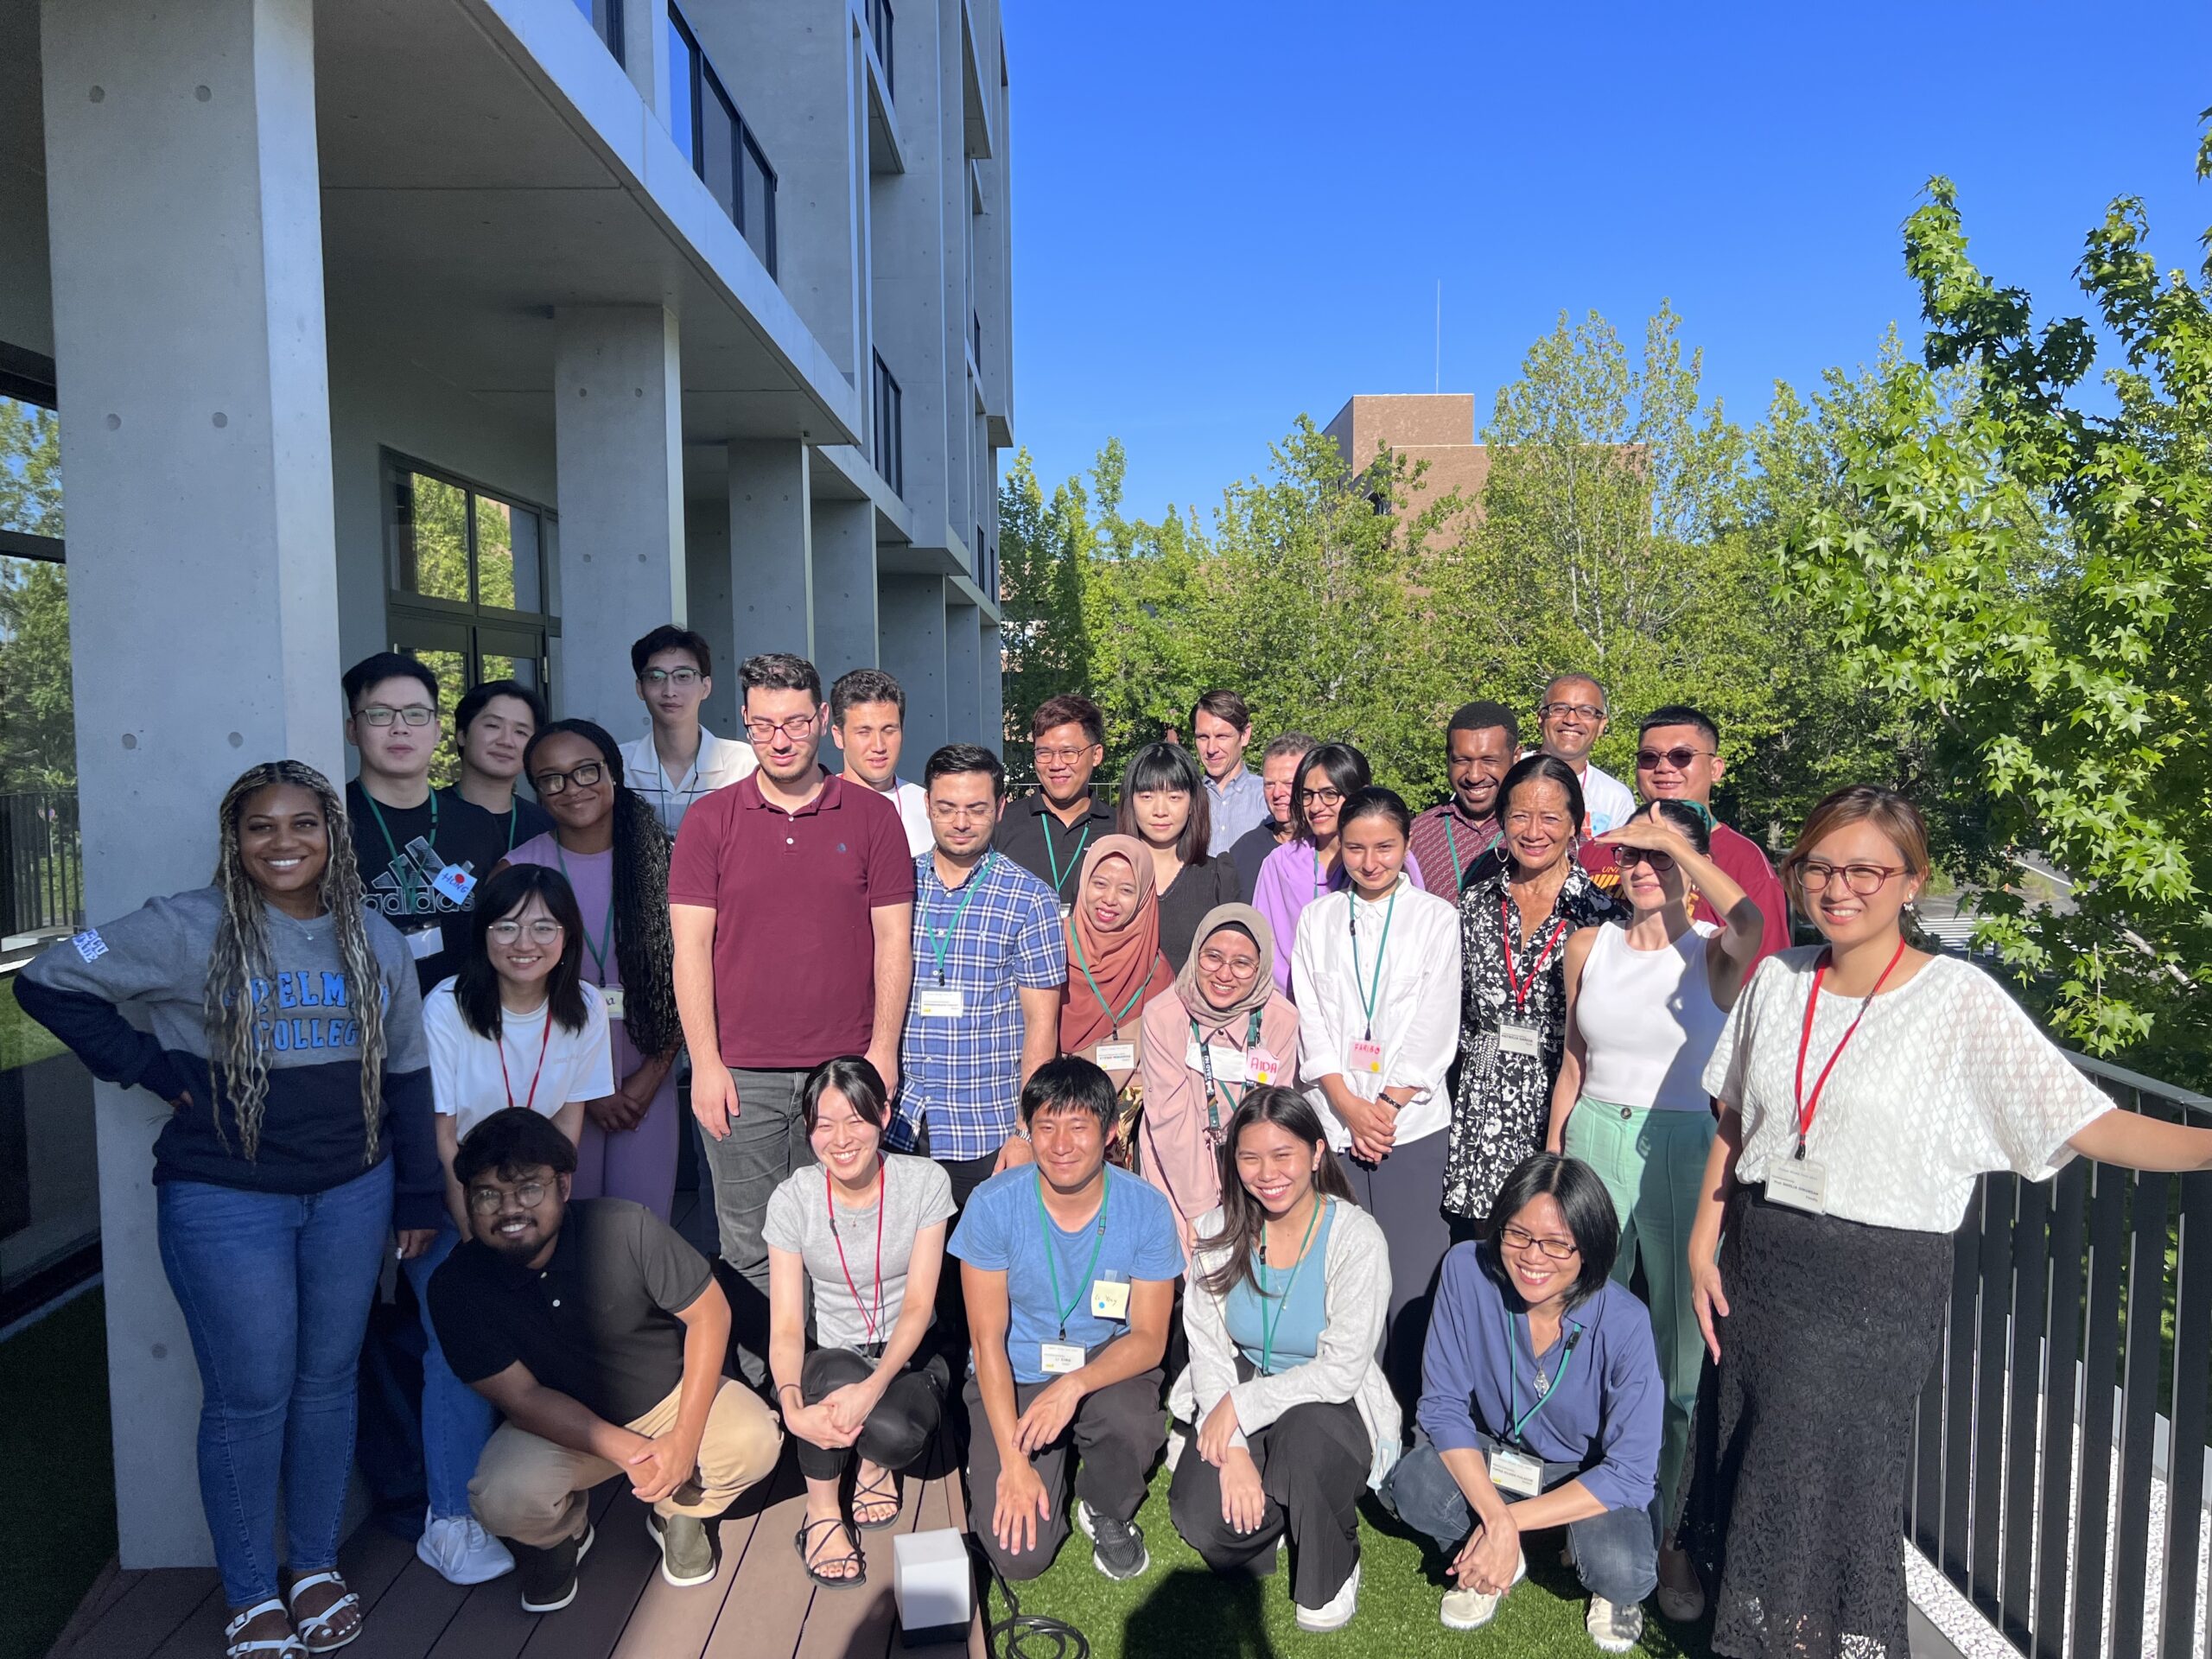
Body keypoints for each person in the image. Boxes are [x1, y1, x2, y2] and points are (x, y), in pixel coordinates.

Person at [1682, 786, 2212, 1659]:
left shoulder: (1958, 1002)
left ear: (1911, 882)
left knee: (1825, 1487)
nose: (1837, 886)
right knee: (1759, 1468)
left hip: (1873, 1290)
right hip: (1760, 1262)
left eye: (1864, 869)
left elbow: (2084, 1122)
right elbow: (1736, 1116)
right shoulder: (1777, 981)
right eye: (1818, 866)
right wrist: (1705, 1238)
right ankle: (1757, 1632)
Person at [15, 761, 439, 1659]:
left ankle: (316, 1565)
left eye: (304, 825)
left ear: (333, 835)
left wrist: (415, 1191)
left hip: (351, 1191)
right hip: (225, 1197)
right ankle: (253, 1591)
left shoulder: (372, 937)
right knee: (250, 1396)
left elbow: (406, 1072)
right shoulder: (186, 927)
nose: (284, 843)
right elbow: (49, 979)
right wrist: (151, 1067)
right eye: (261, 827)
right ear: (234, 840)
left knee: (326, 1384)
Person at [670, 652, 916, 1385]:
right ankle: (769, 1399)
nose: (782, 739)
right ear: (745, 722)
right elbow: (691, 949)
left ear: (821, 724)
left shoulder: (871, 817)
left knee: (841, 1239)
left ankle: (839, 1391)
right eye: (766, 724)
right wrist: (705, 1064)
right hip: (738, 1072)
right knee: (747, 1243)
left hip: (841, 1072)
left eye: (797, 723)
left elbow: (893, 941)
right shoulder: (710, 820)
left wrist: (881, 1054)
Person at [428, 1109, 783, 1614]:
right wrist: (636, 1452)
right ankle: (563, 1534)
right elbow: (522, 1398)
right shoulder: (455, 1287)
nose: (510, 1209)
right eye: (488, 1194)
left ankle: (679, 1510)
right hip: (560, 1428)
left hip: (667, 1399)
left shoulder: (625, 1227)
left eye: (529, 1188)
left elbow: (711, 1314)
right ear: (466, 1199)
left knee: (755, 1440)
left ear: (564, 1185)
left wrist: (681, 1442)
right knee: (500, 1497)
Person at [1546, 800, 1762, 1620]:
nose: (1643, 866)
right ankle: (1585, 1510)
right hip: (1594, 1136)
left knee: (1675, 1363)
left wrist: (1677, 844)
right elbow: (1573, 1062)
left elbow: (1746, 917)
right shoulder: (1587, 946)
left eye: (1661, 854)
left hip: (1681, 1147)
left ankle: (1662, 1534)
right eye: (1632, 852)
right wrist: (1553, 1163)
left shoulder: (1713, 953)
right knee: (1581, 1331)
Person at [1382, 1153, 1662, 1654]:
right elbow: (1443, 1408)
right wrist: (1497, 1514)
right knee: (1415, 1484)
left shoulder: (1626, 1322)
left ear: (1590, 1247)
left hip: (1583, 1473)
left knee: (1622, 1569)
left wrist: (1505, 1523)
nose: (1533, 1257)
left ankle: (1522, 1545)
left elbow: (1630, 1471)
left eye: (1558, 1243)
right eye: (1518, 1235)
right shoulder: (1465, 1270)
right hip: (1497, 1458)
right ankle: (1497, 1555)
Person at [416, 863, 609, 1585]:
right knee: (455, 1348)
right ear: (482, 933)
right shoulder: (447, 1008)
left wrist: (544, 1217)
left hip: (537, 1207)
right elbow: (442, 1135)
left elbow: (569, 1121)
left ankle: (551, 1482)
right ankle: (449, 1517)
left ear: (567, 938)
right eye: (505, 925)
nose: (522, 942)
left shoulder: (584, 1006)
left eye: (542, 926)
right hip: (462, 1204)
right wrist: (479, 1233)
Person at [1167, 1089, 1402, 1632]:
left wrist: (1238, 1409)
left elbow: (1341, 1371)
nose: (1266, 1173)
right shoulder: (1214, 1232)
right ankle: (1294, 1504)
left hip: (1330, 1402)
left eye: (1283, 1155)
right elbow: (1206, 1346)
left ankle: (1335, 1560)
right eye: (1249, 1158)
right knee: (1203, 1521)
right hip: (1244, 1378)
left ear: (1317, 1153)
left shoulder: (1355, 1237)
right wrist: (1233, 1451)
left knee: (1302, 1441)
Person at [951, 1058, 1184, 1583]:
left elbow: (1149, 1338)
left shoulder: (1146, 1209)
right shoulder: (992, 1206)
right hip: (1018, 1369)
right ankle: (1002, 1462)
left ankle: (1105, 1507)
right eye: (1046, 1127)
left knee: (1128, 1420)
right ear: (1027, 1132)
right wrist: (1012, 1465)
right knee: (1019, 1559)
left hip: (1104, 1360)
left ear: (1109, 1132)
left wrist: (1074, 1386)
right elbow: (987, 1344)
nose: (1060, 1144)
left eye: (1079, 1127)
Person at [1291, 786, 1463, 1406]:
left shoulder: (1437, 919)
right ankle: (1345, 1413)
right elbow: (1311, 1019)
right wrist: (1346, 1105)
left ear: (1406, 845)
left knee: (1411, 1280)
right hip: (1336, 1124)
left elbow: (1437, 1024)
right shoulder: (1319, 920)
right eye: (1356, 848)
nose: (1369, 861)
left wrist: (1383, 1107)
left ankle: (1413, 1416)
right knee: (1342, 1279)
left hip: (1410, 1127)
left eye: (1384, 847)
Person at [766, 1058, 957, 1586]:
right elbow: (785, 1325)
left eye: (856, 1120)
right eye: (824, 1125)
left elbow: (919, 1303)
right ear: (808, 1130)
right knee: (821, 1385)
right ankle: (823, 1510)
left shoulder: (923, 1183)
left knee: (894, 1431)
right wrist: (790, 1406)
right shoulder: (793, 1199)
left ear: (884, 1115)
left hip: (907, 1352)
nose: (841, 1139)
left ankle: (874, 1465)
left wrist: (875, 1387)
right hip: (835, 1355)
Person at [506, 720, 685, 1218]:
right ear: (538, 792)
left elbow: (694, 979)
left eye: (586, 771)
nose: (571, 788)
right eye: (552, 778)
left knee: (642, 1230)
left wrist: (650, 1076)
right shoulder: (517, 872)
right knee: (564, 1233)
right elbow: (511, 999)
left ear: (613, 773)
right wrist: (590, 1090)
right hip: (553, 1089)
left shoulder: (670, 864)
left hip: (647, 1085)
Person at [1444, 755, 1628, 1228]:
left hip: (1562, 1097)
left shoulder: (1605, 918)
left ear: (1575, 826)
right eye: (1519, 816)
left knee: (1550, 1245)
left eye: (1550, 817)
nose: (1533, 831)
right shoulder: (1473, 905)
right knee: (1479, 1247)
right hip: (1480, 1101)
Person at [887, 744, 1064, 1213]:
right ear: (926, 806)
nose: (961, 822)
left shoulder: (1030, 899)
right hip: (899, 1120)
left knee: (981, 1279)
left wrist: (1027, 1131)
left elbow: (1041, 1026)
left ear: (1001, 808)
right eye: (946, 808)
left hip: (985, 1128)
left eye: (976, 808)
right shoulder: (895, 887)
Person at [343, 652, 532, 993]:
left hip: (460, 1020)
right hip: (362, 1021)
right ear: (353, 730)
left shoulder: (476, 824)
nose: (400, 728)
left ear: (437, 730)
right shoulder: (327, 822)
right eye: (380, 714)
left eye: (416, 714)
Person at [1137, 903, 1300, 1261]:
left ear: (1260, 968)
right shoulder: (1165, 1015)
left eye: (1242, 963)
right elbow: (1170, 1120)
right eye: (1212, 957)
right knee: (1194, 1259)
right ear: (1196, 955)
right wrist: (1201, 1210)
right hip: (1178, 1161)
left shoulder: (1280, 1018)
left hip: (1253, 1162)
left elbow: (1275, 1111)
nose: (1224, 974)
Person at [1253, 743, 1427, 996]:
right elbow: (1265, 945)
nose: (1315, 806)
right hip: (1297, 1007)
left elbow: (1412, 935)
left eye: (1330, 794)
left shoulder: (1392, 861)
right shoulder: (1280, 864)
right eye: (1308, 795)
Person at [1631, 705, 1790, 965]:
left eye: (1681, 756)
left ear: (1716, 769)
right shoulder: (1606, 848)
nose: (1663, 767)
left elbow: (1767, 972)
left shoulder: (1746, 863)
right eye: (1649, 757)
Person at [1059, 836, 1175, 1098]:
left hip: (1127, 1110)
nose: (1109, 899)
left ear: (1144, 897)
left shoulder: (1155, 969)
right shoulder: (1051, 946)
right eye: (1099, 884)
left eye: (1126, 890)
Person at [619, 625, 758, 837]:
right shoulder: (620, 766)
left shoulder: (744, 764)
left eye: (683, 676)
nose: (669, 691)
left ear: (706, 687)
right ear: (640, 688)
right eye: (656, 677)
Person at [1118, 741, 1243, 971]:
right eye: (1147, 796)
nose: (1160, 810)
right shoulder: (1107, 876)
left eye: (1174, 797)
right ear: (1131, 802)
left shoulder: (1218, 877)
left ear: (1192, 803)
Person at [994, 694, 1116, 911]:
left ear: (1096, 755)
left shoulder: (1121, 827)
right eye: (1044, 753)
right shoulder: (1002, 824)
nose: (1056, 764)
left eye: (1069, 753)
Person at [1409, 702, 1516, 899]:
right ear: (1447, 759)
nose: (1474, 776)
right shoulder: (1415, 836)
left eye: (1489, 760)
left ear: (1516, 757)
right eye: (1462, 761)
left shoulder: (1542, 833)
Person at [831, 666, 933, 856]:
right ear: (839, 737)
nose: (878, 746)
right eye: (864, 732)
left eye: (889, 730)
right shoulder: (818, 809)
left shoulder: (928, 807)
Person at [449, 679, 555, 851]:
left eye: (520, 732)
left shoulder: (546, 827)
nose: (506, 741)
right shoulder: (428, 814)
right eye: (493, 725)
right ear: (462, 735)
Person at [1535, 674, 1636, 836]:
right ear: (1541, 718)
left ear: (1602, 724)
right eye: (1560, 709)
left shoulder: (1616, 798)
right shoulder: (1510, 772)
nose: (1571, 720)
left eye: (1586, 711)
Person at [1227, 732, 1317, 897]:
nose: (1277, 793)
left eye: (1289, 784)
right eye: (1269, 784)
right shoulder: (1244, 851)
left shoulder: (1330, 849)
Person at [1190, 689, 1269, 855]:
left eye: (1222, 737)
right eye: (1203, 737)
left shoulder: (1268, 797)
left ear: (1245, 735)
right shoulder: (1184, 797)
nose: (1211, 749)